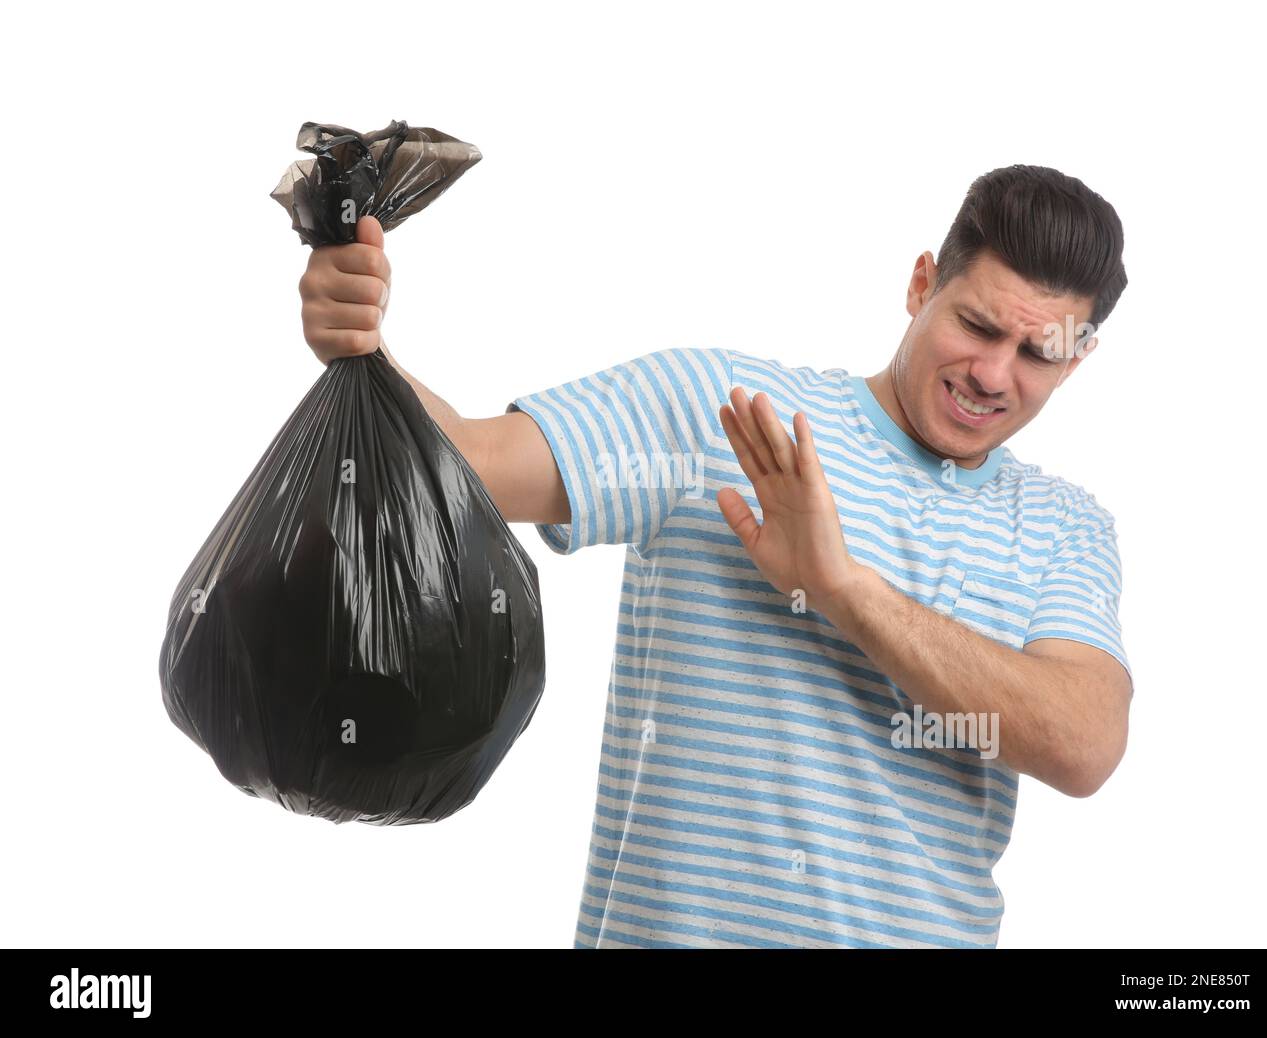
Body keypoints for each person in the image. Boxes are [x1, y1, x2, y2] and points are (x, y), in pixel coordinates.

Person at [297, 163, 1133, 949]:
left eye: (1038, 353)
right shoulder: (723, 412)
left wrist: (838, 587)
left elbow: (1082, 745)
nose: (993, 373)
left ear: (1081, 355)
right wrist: (363, 351)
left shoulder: (1064, 528)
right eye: (977, 326)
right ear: (921, 285)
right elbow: (468, 463)